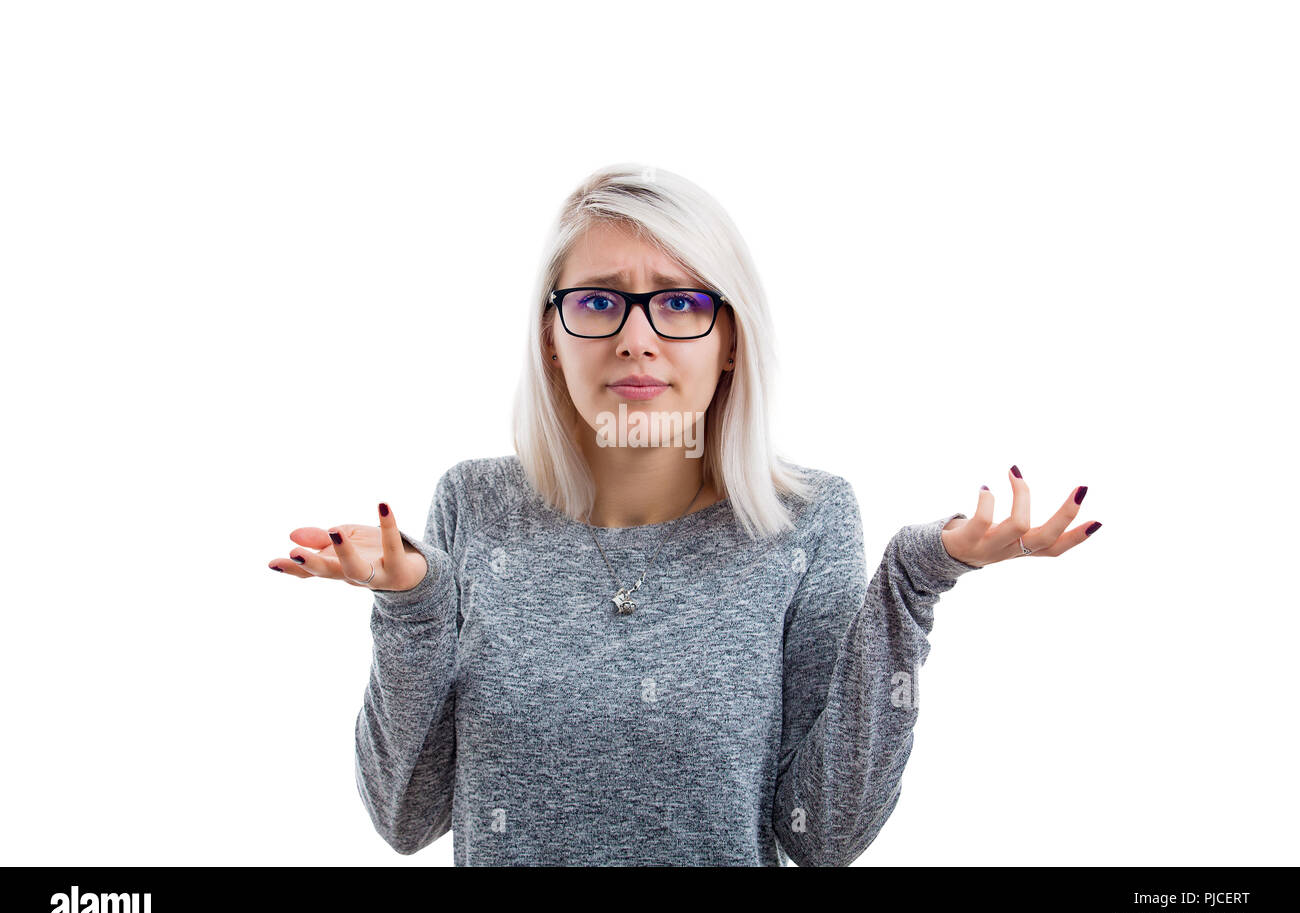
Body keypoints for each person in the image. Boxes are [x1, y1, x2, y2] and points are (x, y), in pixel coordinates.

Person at [267, 163, 1102, 866]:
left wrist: (916, 583)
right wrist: (411, 607)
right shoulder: (474, 506)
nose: (637, 338)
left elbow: (823, 836)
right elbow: (405, 820)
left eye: (681, 302)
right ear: (551, 338)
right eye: (598, 303)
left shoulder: (805, 523)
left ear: (731, 338)